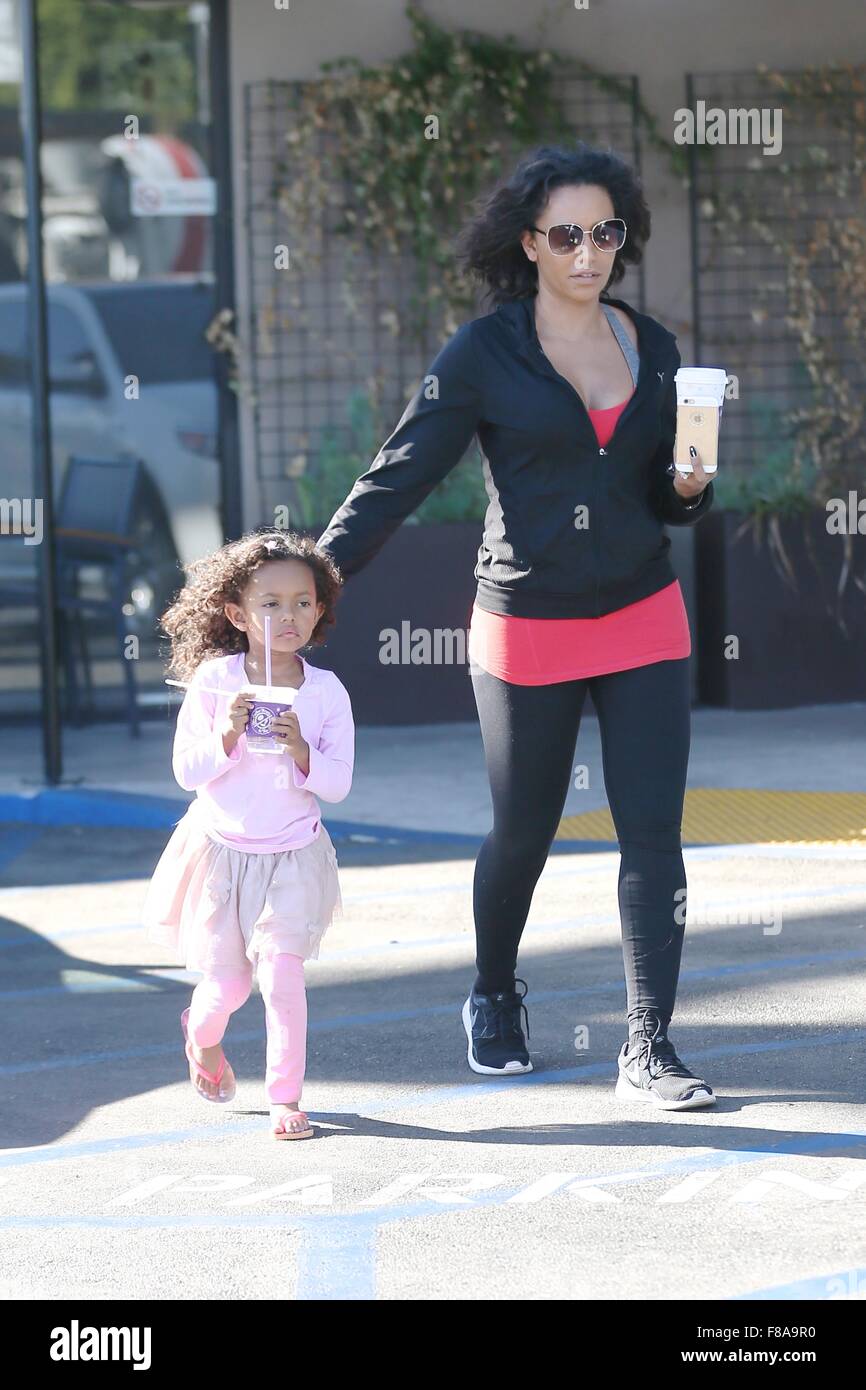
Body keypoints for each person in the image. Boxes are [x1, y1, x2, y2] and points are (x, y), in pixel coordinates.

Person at [316, 142, 718, 1111]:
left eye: (605, 232)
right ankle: (493, 994)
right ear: (529, 242)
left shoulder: (650, 346)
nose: (588, 252)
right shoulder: (484, 352)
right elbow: (401, 470)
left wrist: (690, 485)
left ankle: (648, 1043)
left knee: (653, 834)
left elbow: (666, 499)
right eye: (567, 234)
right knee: (525, 832)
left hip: (641, 611)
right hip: (526, 618)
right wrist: (308, 578)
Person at [141, 529, 354, 1139]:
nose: (289, 616)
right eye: (271, 603)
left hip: (293, 857)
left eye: (303, 602)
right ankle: (200, 1037)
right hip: (221, 856)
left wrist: (303, 751)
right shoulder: (215, 682)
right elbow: (187, 771)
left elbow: (338, 784)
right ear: (237, 612)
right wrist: (228, 736)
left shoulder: (326, 692)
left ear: (320, 609)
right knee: (228, 985)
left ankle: (285, 1098)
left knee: (281, 974)